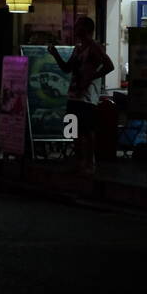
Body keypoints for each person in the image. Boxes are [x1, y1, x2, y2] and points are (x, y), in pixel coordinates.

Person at [48, 16, 114, 175]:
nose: (75, 29)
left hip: (86, 96)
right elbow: (66, 68)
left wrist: (92, 77)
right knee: (72, 129)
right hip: (74, 94)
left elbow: (109, 66)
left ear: (86, 29)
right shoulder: (78, 48)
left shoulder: (94, 47)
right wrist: (55, 54)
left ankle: (89, 163)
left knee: (86, 130)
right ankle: (79, 162)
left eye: (78, 26)